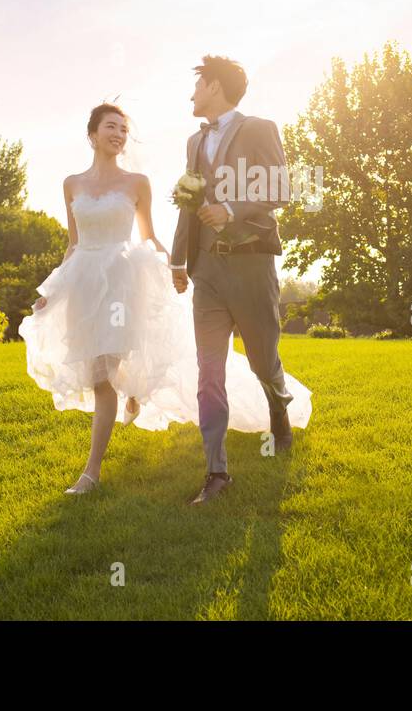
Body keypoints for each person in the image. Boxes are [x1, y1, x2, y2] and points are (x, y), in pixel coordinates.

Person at [19, 100, 311, 497]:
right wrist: (49, 292)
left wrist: (174, 268)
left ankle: (91, 472)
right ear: (92, 134)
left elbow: (150, 235)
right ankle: (133, 391)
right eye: (110, 126)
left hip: (123, 281)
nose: (118, 134)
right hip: (84, 284)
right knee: (98, 370)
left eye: (123, 128)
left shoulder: (137, 182)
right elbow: (73, 244)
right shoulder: (72, 184)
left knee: (103, 376)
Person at [170, 55, 299, 504]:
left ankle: (278, 406)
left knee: (263, 359)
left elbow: (280, 190)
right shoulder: (193, 141)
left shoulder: (259, 129)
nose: (191, 94)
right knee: (209, 371)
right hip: (206, 272)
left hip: (250, 264)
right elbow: (189, 200)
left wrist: (231, 209)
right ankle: (216, 472)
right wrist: (178, 261)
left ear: (215, 86)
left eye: (197, 85)